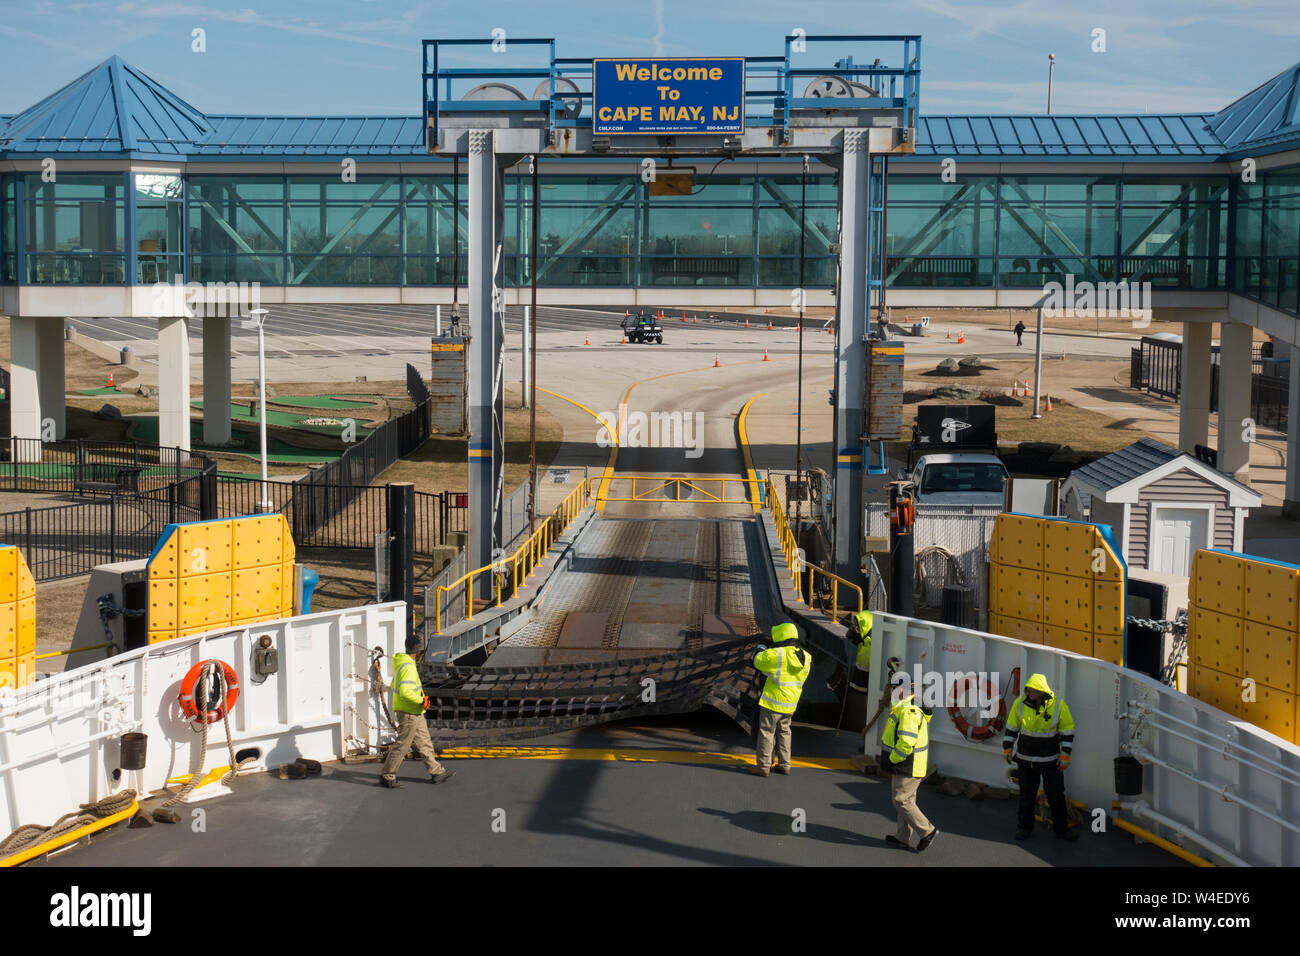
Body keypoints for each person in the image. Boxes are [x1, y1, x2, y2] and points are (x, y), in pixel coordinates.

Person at [1003, 673, 1076, 841]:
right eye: (1027, 690)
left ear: (1042, 691)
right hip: (1025, 760)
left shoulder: (1059, 706)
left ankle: (1061, 829)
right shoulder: (1019, 704)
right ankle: (1024, 828)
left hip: (1051, 761)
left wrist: (1065, 755)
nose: (1028, 694)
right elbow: (1012, 728)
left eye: (1032, 691)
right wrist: (1007, 749)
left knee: (1056, 796)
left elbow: (1068, 731)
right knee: (1026, 797)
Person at [379, 635, 456, 788]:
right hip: (409, 712)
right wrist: (421, 700)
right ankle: (387, 776)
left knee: (424, 742)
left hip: (415, 711)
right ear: (419, 651)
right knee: (402, 744)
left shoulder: (405, 664)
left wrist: (421, 701)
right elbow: (406, 691)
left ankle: (436, 772)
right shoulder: (408, 667)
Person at [880, 675, 939, 852]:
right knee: (907, 800)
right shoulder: (906, 708)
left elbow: (906, 743)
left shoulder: (908, 711)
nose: (892, 692)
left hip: (907, 765)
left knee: (901, 800)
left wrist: (892, 760)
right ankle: (902, 837)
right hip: (910, 764)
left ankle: (927, 831)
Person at [751, 622, 811, 777]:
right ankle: (785, 764)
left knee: (767, 732)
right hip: (790, 704)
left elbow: (757, 661)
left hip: (773, 702)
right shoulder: (806, 657)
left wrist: (762, 647)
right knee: (785, 731)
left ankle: (763, 766)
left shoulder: (777, 655)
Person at [847, 610, 872, 695]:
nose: (856, 631)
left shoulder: (868, 648)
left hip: (865, 689)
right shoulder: (865, 644)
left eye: (858, 628)